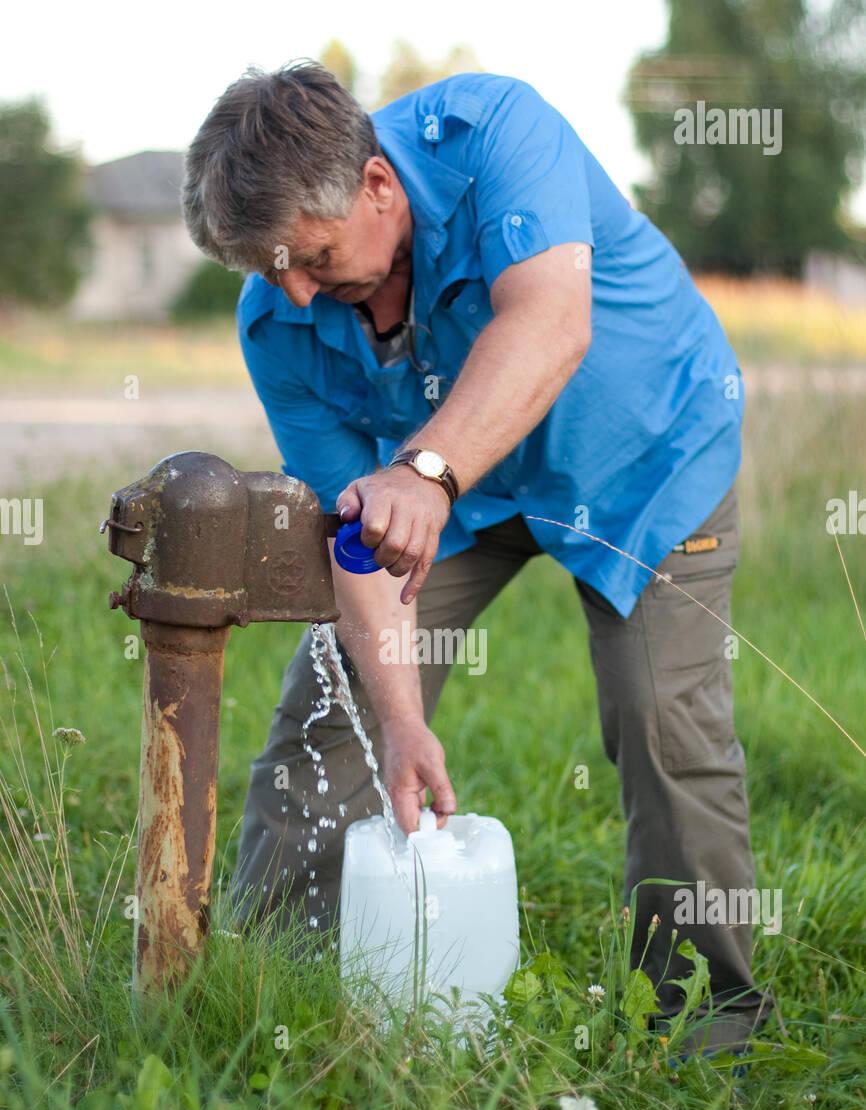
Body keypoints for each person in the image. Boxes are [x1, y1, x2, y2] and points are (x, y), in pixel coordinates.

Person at [182, 60, 774, 1052]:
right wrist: (403, 725)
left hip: (645, 458)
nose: (290, 289)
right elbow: (361, 551)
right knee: (336, 713)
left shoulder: (496, 129)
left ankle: (707, 1032)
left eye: (309, 255)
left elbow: (550, 319)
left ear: (377, 184)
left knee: (660, 722)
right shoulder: (275, 322)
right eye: (265, 268)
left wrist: (423, 469)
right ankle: (271, 1011)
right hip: (455, 490)